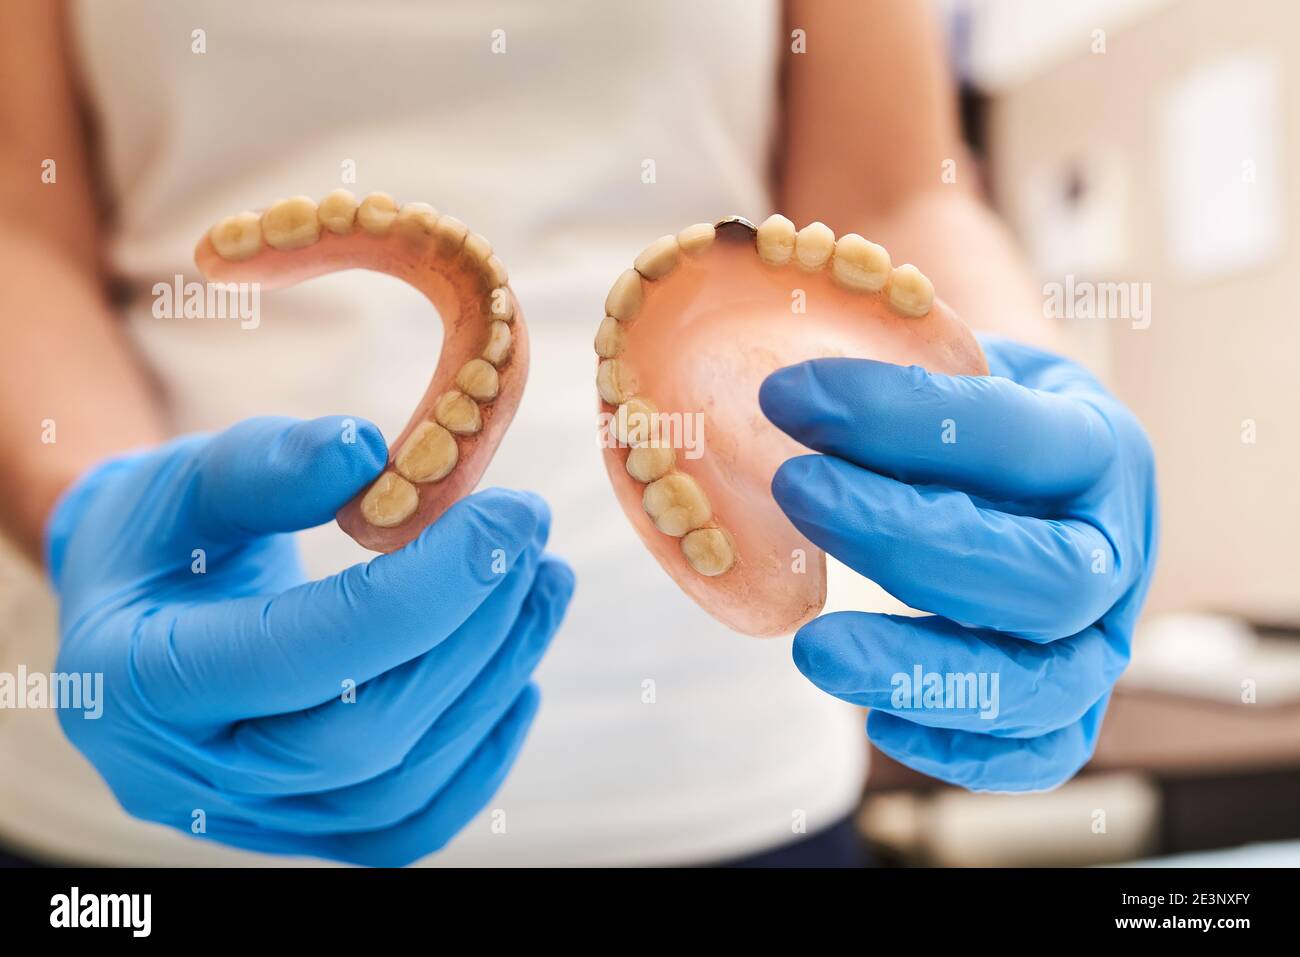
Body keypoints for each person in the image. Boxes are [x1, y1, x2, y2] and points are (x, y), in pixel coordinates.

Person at [0, 0, 1156, 866]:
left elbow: (893, 181)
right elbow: (21, 220)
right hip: (139, 818)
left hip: (728, 788)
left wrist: (1011, 404)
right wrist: (85, 507)